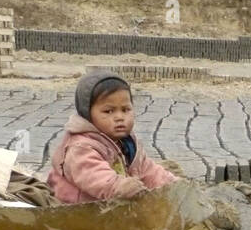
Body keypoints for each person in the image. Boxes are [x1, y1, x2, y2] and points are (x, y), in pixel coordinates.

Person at [46, 72, 178, 203]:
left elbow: (148, 170)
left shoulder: (128, 143)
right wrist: (118, 186)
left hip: (110, 201)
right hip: (78, 208)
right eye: (109, 111)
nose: (119, 117)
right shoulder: (80, 146)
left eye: (125, 109)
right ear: (87, 114)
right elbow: (93, 176)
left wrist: (173, 186)